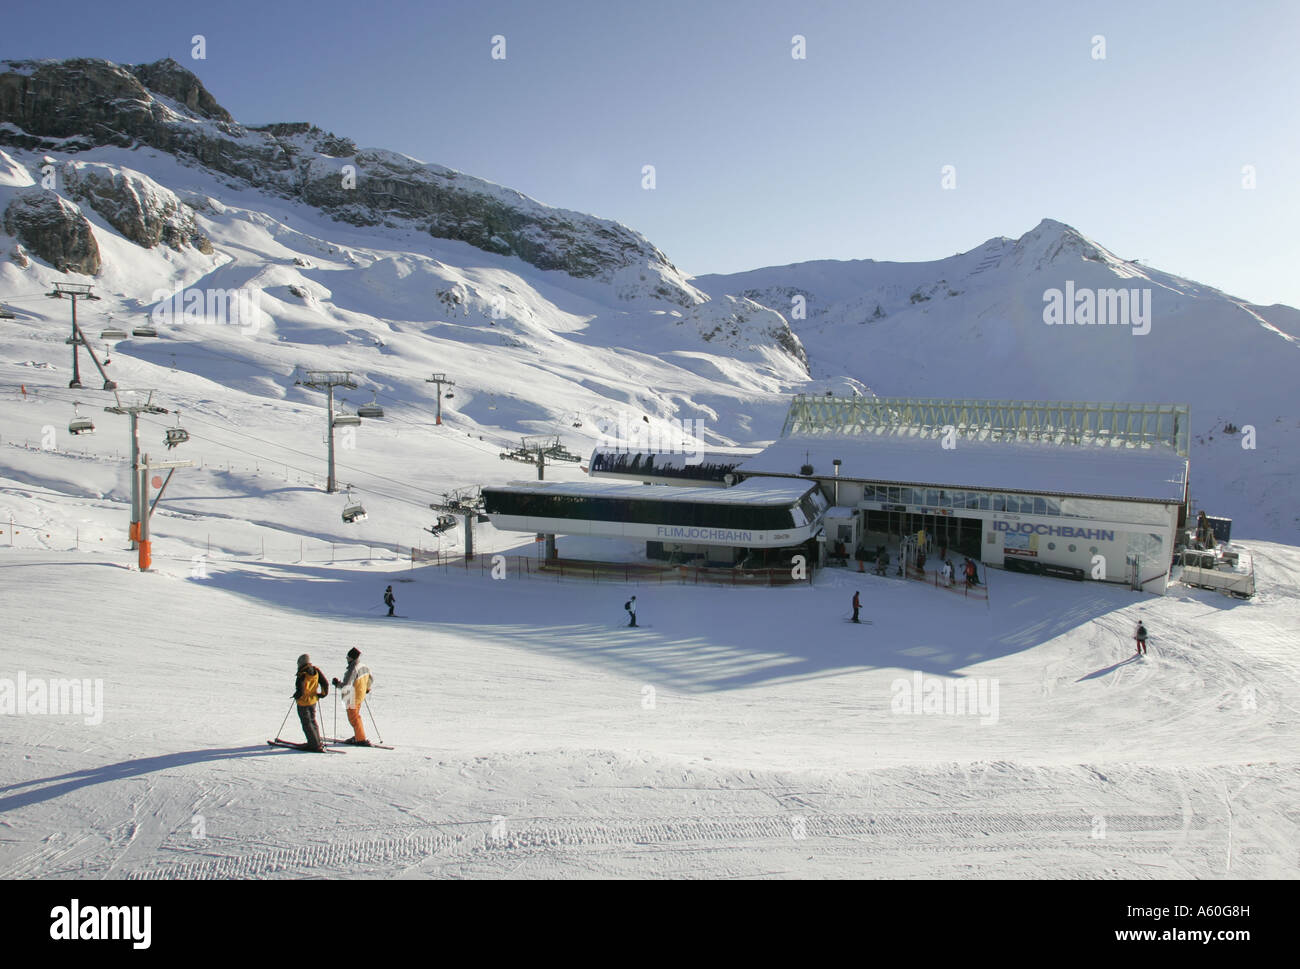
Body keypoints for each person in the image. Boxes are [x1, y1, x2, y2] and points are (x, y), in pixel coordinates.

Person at [332, 647, 374, 746]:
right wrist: (366, 688)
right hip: (360, 696)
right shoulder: (364, 666)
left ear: (352, 658)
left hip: (351, 697)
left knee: (353, 718)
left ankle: (360, 739)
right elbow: (371, 679)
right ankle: (358, 735)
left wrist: (337, 684)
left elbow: (346, 685)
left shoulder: (353, 668)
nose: (347, 659)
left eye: (348, 657)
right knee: (355, 716)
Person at [293, 653, 329, 751]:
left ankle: (313, 745)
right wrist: (322, 694)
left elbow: (301, 689)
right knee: (312, 721)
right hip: (313, 700)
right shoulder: (316, 670)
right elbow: (325, 683)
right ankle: (316, 741)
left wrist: (297, 695)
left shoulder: (302, 673)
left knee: (307, 723)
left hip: (303, 702)